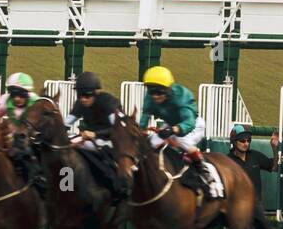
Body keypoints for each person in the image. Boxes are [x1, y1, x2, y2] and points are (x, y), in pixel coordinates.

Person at [138, 65, 221, 199]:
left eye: (158, 92)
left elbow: (188, 123)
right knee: (150, 143)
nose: (154, 96)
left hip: (193, 125)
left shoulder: (181, 97)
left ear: (168, 89)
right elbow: (143, 120)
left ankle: (205, 171)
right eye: (151, 91)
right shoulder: (149, 99)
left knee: (182, 140)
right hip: (170, 125)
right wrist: (139, 133)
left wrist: (172, 130)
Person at [217, 124, 278, 229]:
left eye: (248, 140)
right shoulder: (227, 161)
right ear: (234, 141)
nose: (246, 143)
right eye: (242, 140)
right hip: (235, 211)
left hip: (255, 210)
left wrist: (274, 148)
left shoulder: (256, 157)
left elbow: (274, 166)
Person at [64, 71, 126, 200]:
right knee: (67, 147)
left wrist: (95, 134)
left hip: (112, 141)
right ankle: (66, 186)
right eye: (80, 95)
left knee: (86, 145)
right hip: (91, 139)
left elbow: (119, 129)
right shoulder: (80, 104)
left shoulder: (107, 102)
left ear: (95, 93)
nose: (83, 99)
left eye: (87, 95)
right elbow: (66, 123)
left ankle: (116, 185)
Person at [0, 72, 46, 193]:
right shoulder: (4, 100)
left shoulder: (36, 102)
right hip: (11, 141)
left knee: (28, 154)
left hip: (30, 141)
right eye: (14, 94)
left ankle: (40, 182)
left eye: (21, 95)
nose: (17, 99)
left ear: (27, 94)